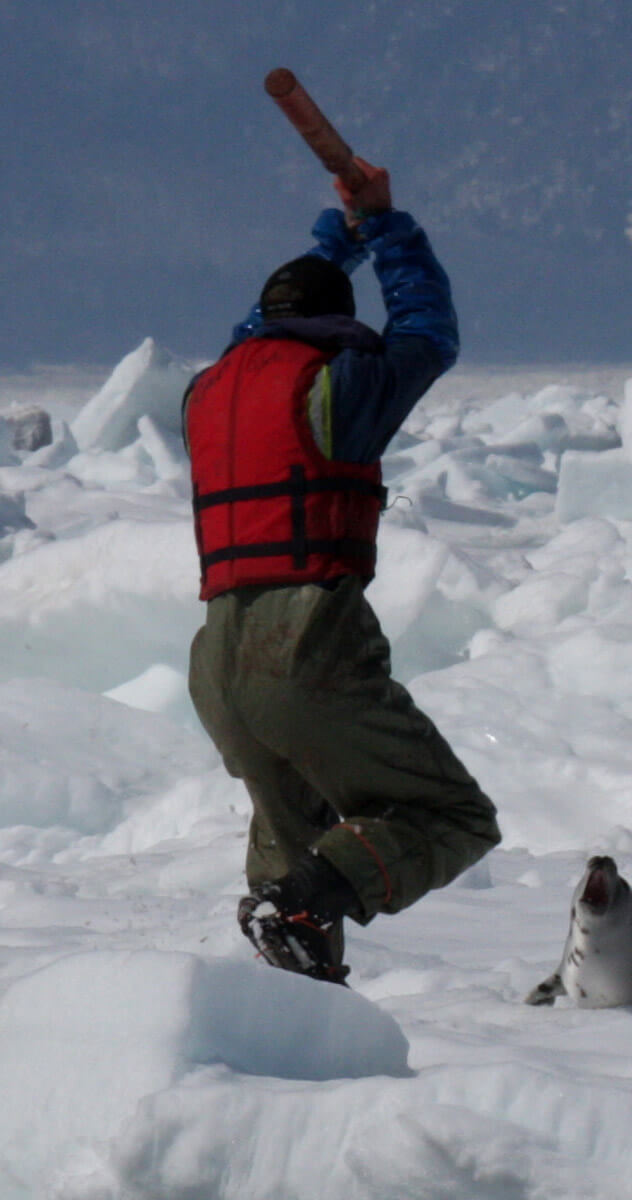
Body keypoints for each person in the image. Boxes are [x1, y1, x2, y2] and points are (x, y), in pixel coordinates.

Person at [184, 158, 501, 984]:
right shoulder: (338, 389)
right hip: (308, 644)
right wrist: (390, 230)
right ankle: (302, 907)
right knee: (448, 815)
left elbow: (265, 321)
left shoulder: (209, 388)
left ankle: (287, 1024)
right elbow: (428, 333)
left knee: (292, 858)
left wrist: (340, 237)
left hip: (218, 662)